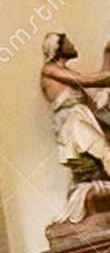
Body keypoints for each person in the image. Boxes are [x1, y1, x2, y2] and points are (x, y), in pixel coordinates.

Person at [40, 32, 110, 178]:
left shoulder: (67, 73)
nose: (72, 45)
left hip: (81, 116)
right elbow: (89, 79)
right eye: (68, 43)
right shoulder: (49, 69)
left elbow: (96, 86)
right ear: (58, 48)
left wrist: (107, 54)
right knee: (103, 151)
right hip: (72, 121)